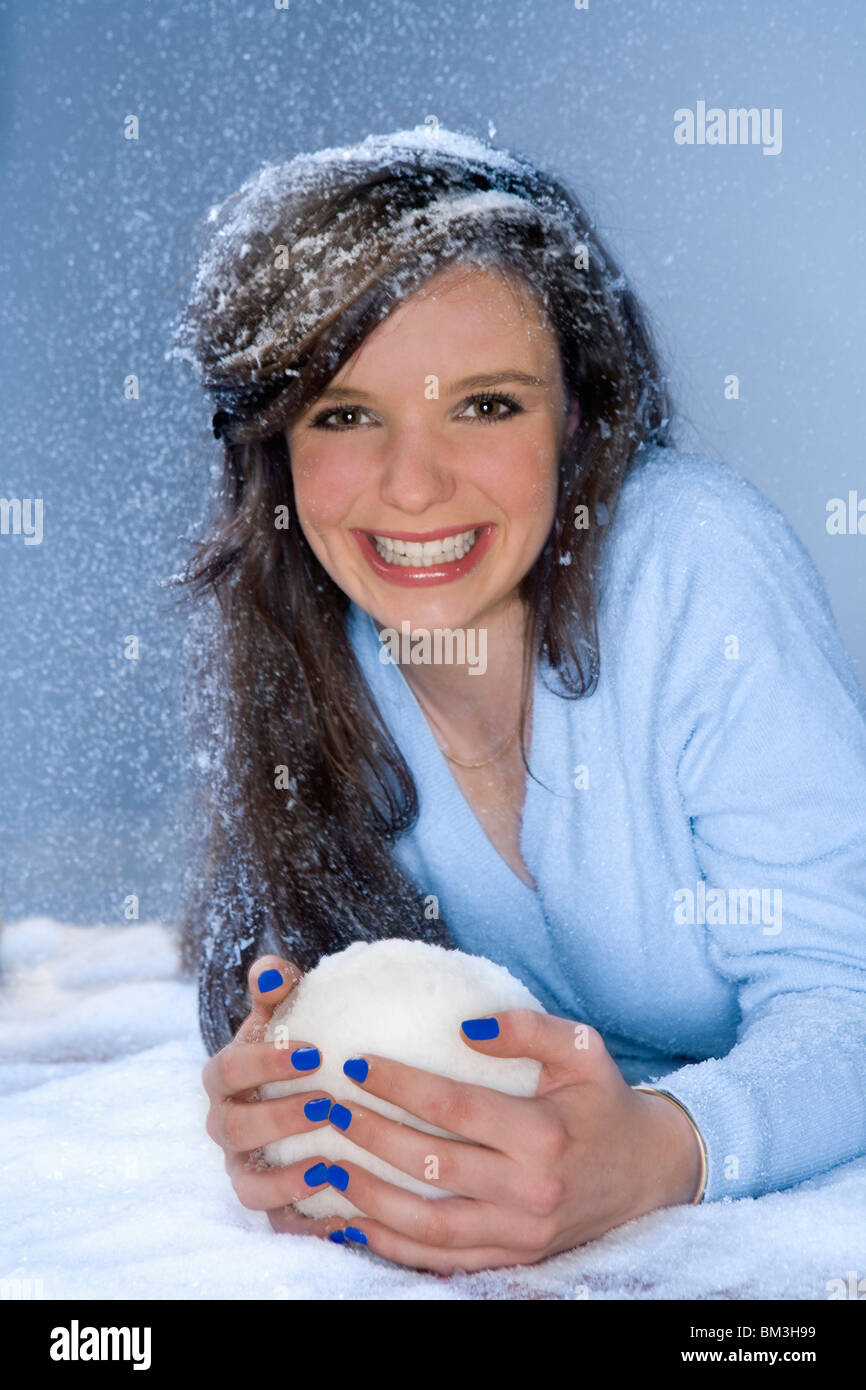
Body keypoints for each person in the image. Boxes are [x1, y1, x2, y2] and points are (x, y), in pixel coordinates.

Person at [172, 128, 866, 1274]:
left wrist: (664, 1148)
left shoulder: (694, 563)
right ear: (274, 449)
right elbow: (307, 990)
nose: (411, 484)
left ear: (580, 417)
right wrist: (283, 1091)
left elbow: (855, 999)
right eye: (345, 414)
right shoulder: (305, 633)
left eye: (485, 406)